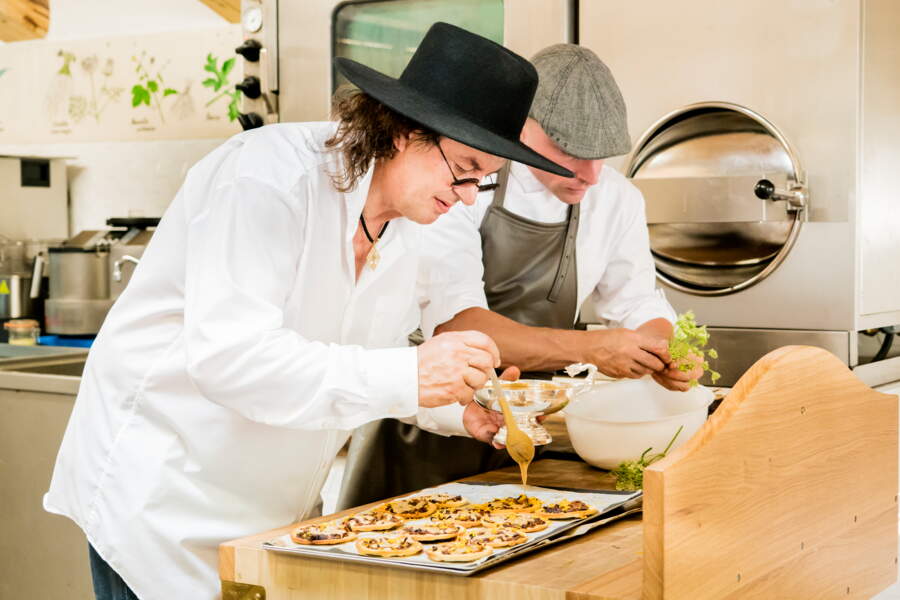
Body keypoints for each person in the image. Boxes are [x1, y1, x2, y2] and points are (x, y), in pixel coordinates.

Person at [43, 23, 572, 600]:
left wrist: (458, 409)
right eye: (465, 167)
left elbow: (359, 360)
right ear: (406, 131)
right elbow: (232, 360)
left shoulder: (417, 223)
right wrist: (413, 372)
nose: (469, 195)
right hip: (162, 500)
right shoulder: (266, 178)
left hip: (272, 511)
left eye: (484, 181)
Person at [338, 44, 702, 511]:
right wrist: (592, 348)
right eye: (571, 153)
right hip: (429, 420)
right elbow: (458, 323)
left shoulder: (616, 198)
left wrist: (666, 349)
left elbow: (635, 302)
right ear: (522, 127)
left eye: (602, 156)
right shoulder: (461, 182)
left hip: (530, 422)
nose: (590, 175)